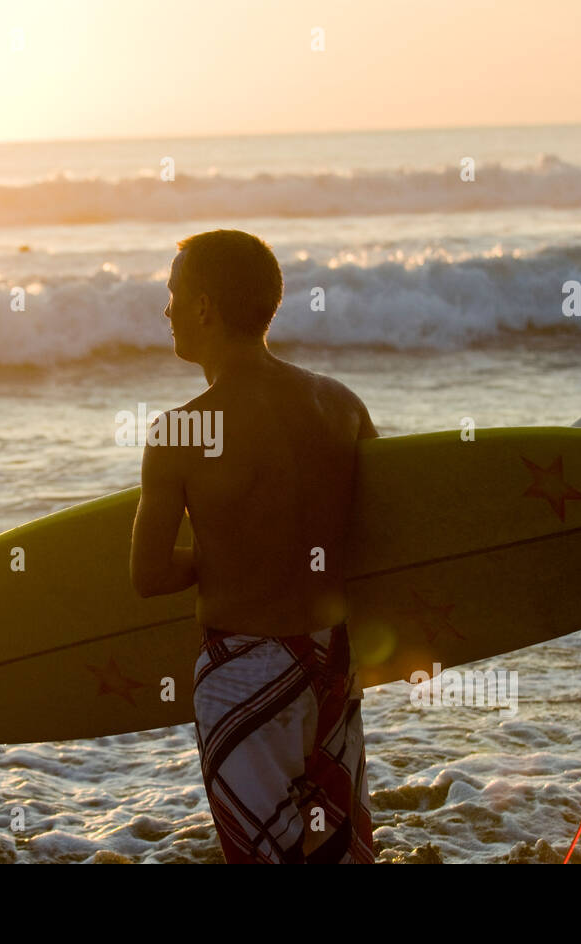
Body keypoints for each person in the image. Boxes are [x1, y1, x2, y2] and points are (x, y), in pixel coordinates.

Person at [129, 229, 378, 863]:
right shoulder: (341, 404)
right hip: (332, 665)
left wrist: (221, 556)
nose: (167, 310)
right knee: (340, 851)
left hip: (244, 673)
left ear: (204, 307)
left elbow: (150, 574)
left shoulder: (181, 431)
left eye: (173, 292)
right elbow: (375, 538)